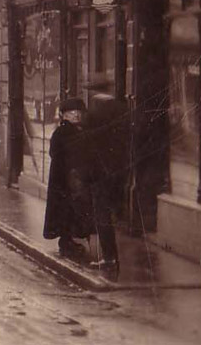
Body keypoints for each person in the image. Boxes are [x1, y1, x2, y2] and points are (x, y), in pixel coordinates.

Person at [43, 98, 93, 259]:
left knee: (69, 210)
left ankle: (68, 240)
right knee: (66, 210)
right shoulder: (63, 132)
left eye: (78, 113)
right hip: (64, 179)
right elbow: (56, 154)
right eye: (72, 113)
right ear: (64, 115)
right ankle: (66, 241)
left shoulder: (77, 131)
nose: (76, 115)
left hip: (69, 178)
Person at [85, 92, 127, 275]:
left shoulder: (94, 120)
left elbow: (89, 148)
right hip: (118, 174)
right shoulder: (121, 116)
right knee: (109, 214)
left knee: (101, 215)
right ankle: (111, 256)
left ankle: (109, 257)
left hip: (100, 176)